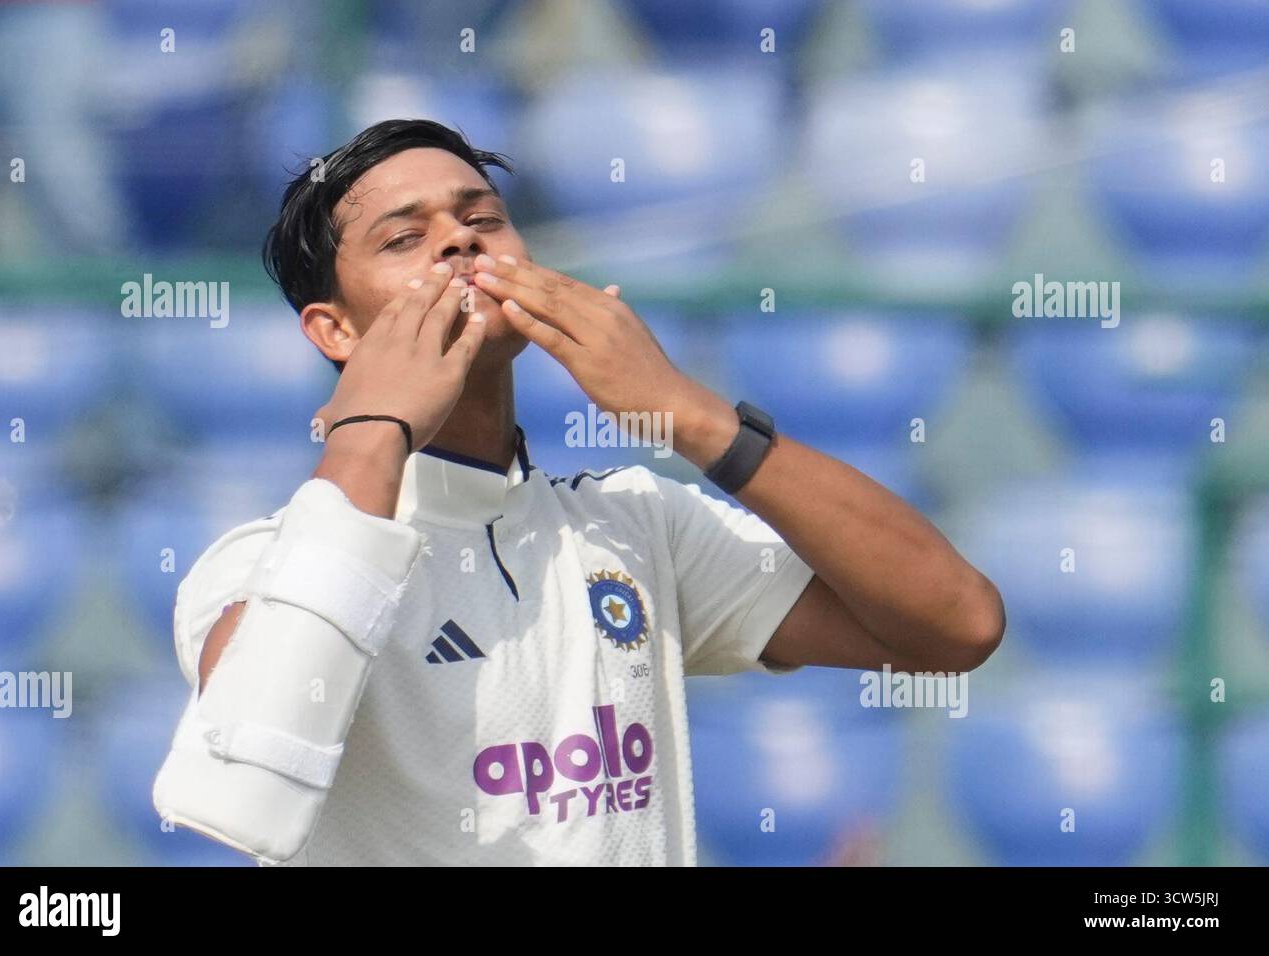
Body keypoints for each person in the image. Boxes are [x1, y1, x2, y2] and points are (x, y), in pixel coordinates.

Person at [153, 118, 1005, 866]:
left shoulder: (638, 523)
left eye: (481, 217)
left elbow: (956, 625)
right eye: (405, 239)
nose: (459, 241)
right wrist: (371, 426)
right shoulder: (252, 567)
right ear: (334, 330)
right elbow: (245, 790)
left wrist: (695, 417)